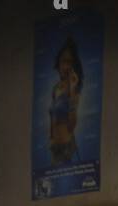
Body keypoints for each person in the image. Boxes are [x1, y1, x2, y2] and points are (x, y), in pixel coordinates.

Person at [49, 35, 83, 164]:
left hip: (66, 147)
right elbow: (52, 116)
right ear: (58, 64)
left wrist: (72, 89)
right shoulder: (55, 89)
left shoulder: (74, 90)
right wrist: (51, 138)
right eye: (64, 61)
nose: (66, 66)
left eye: (70, 62)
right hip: (54, 147)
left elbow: (72, 124)